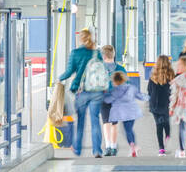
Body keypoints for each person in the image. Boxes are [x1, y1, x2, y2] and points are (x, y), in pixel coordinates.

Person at [58, 28, 107, 158]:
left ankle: (78, 149)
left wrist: (59, 78)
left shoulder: (75, 53)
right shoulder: (97, 53)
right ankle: (97, 150)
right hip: (97, 91)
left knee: (80, 122)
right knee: (95, 121)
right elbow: (103, 70)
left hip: (81, 91)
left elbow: (69, 72)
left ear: (81, 38)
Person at [104, 71, 145, 157]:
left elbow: (108, 100)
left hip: (125, 114)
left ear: (115, 82)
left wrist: (103, 95)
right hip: (134, 113)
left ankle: (132, 146)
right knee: (130, 129)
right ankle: (134, 146)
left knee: (127, 130)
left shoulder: (115, 91)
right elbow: (140, 96)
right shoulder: (131, 88)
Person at [98, 45, 127, 155]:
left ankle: (108, 147)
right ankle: (114, 147)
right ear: (113, 55)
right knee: (114, 124)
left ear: (103, 56)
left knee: (106, 123)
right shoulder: (120, 69)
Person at [147, 55, 174, 155]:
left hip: (155, 104)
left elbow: (149, 90)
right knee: (166, 122)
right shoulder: (171, 75)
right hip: (167, 103)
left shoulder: (153, 76)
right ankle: (168, 136)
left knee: (158, 125)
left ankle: (161, 148)